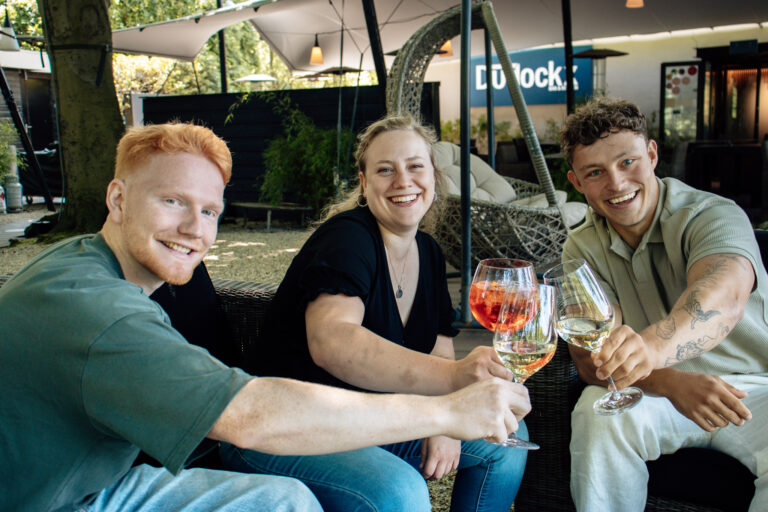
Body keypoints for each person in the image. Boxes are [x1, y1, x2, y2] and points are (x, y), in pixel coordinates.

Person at [0, 122, 532, 512]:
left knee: (291, 501)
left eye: (210, 211)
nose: (194, 229)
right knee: (366, 493)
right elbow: (252, 412)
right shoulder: (96, 309)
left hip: (94, 476)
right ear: (117, 199)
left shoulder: (92, 267)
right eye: (172, 201)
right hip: (57, 499)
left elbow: (437, 337)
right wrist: (444, 408)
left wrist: (449, 407)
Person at [220, 114, 529, 512]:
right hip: (284, 427)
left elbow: (439, 345)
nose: (403, 181)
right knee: (399, 490)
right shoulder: (348, 237)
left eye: (415, 166)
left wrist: (448, 416)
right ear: (364, 184)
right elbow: (333, 343)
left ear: (433, 177)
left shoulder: (429, 252)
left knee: (506, 437)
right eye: (385, 170)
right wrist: (450, 389)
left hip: (372, 420)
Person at [559, 97, 768, 511]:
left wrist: (650, 350)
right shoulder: (581, 246)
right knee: (597, 414)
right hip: (659, 392)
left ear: (652, 155)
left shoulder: (712, 214)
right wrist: (672, 383)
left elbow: (720, 300)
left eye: (627, 162)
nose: (616, 183)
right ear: (577, 182)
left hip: (757, 387)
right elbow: (591, 360)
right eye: (595, 172)